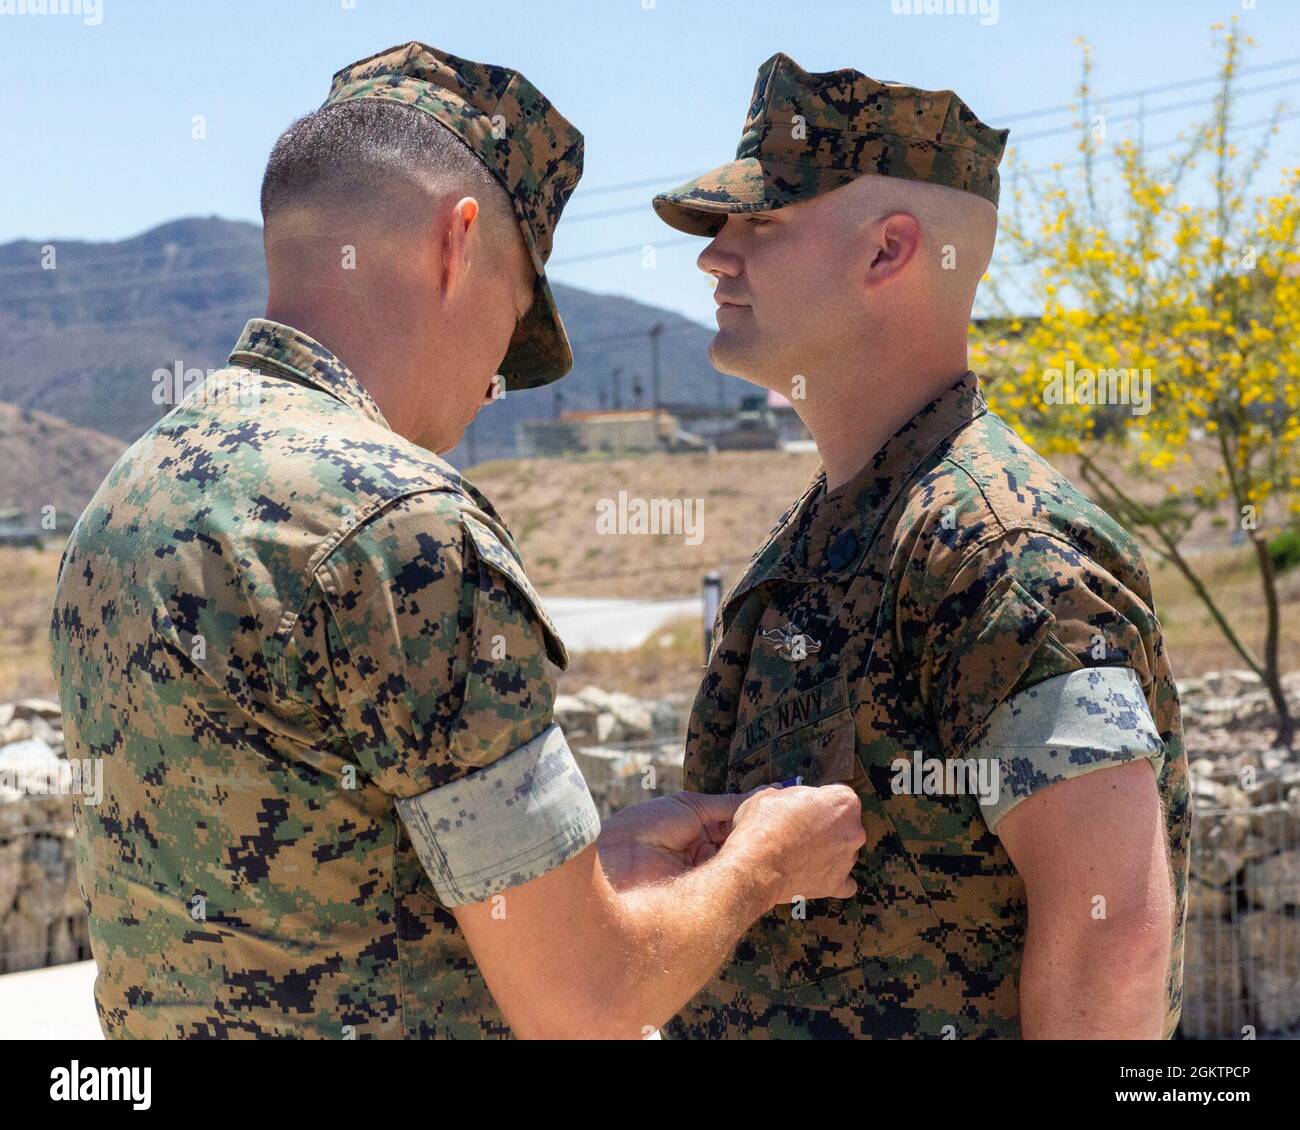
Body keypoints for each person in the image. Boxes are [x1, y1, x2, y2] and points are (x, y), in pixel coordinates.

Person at [47, 42, 865, 1040]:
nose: (492, 387)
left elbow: (328, 879)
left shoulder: (128, 497)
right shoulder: (404, 523)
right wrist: (763, 866)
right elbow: (584, 999)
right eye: (512, 321)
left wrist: (589, 864)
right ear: (459, 243)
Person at [650, 52, 1187, 1039]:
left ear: (888, 253)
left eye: (757, 221)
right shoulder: (845, 522)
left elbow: (1115, 934)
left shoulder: (1001, 549)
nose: (714, 257)